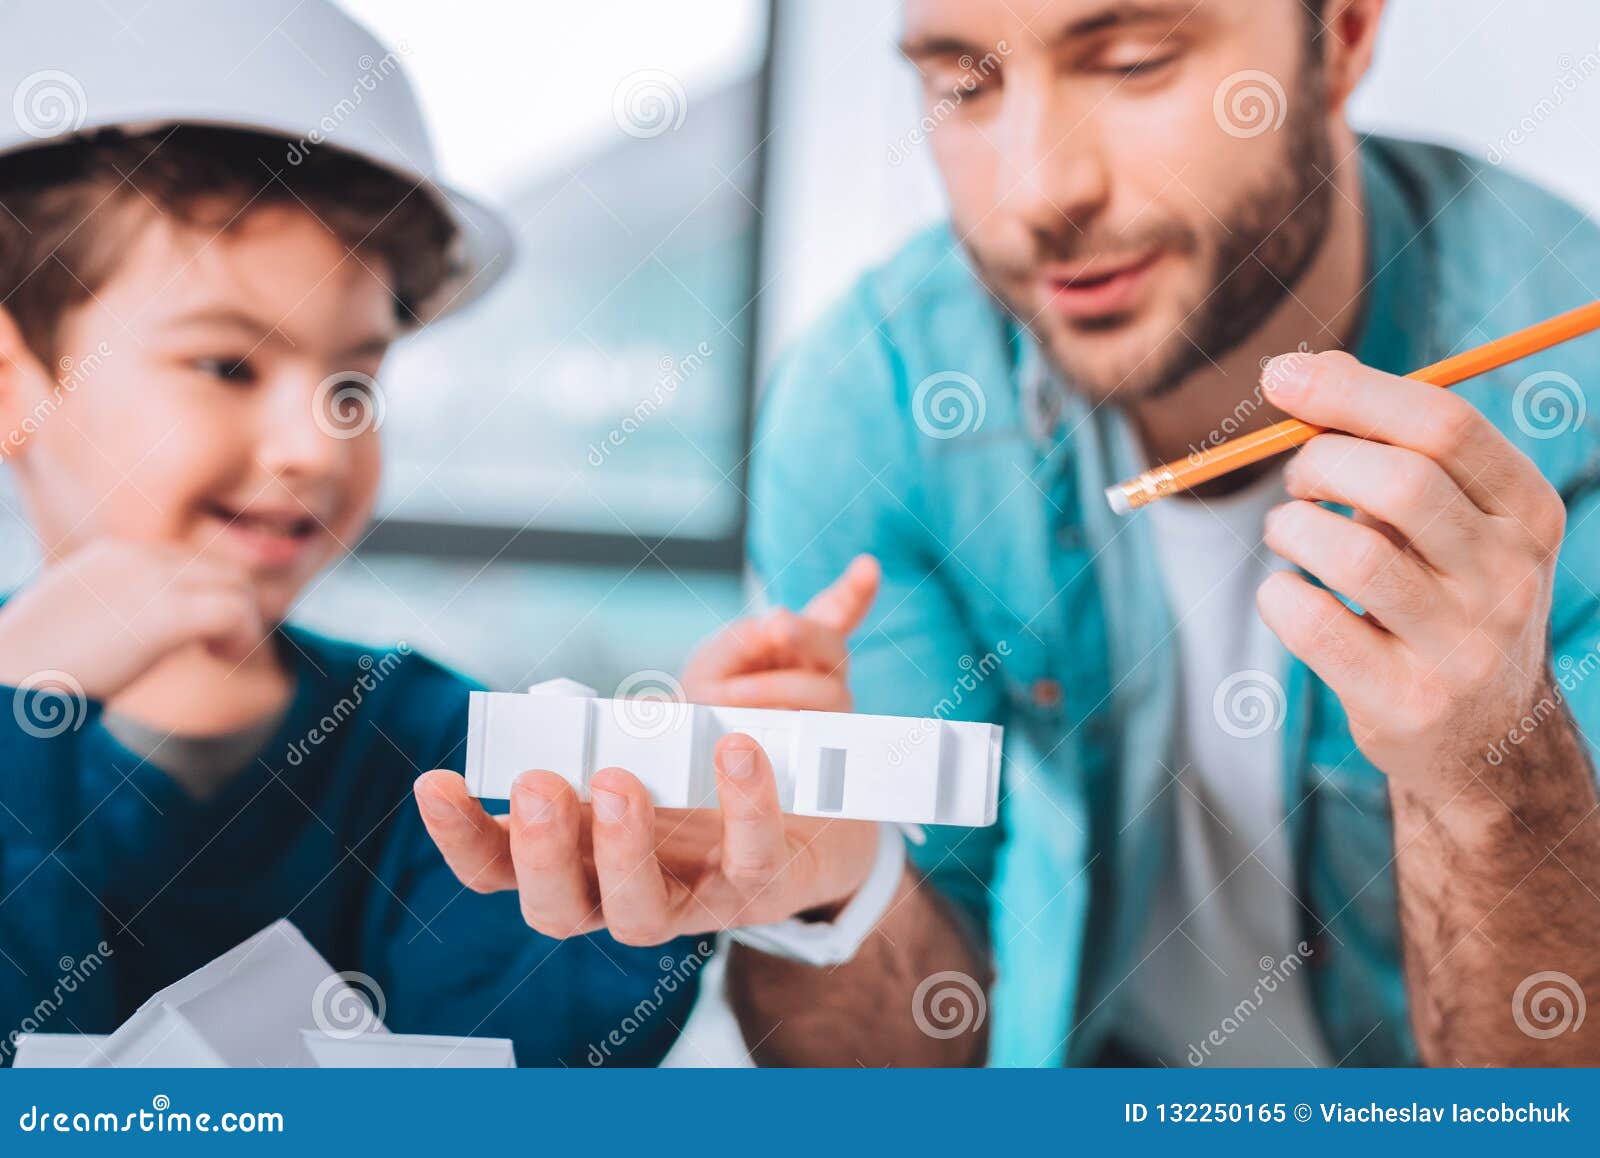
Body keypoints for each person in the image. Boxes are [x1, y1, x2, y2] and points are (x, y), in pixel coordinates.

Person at [428, 0, 1600, 1068]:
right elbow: (895, 1079)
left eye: (1132, 63)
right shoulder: (880, 396)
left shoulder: (1570, 399)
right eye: (963, 84)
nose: (1037, 191)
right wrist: (834, 899)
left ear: (1339, 35)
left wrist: (1493, 775)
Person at [0, 0, 865, 1067]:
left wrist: (657, 849)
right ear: (12, 379)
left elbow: (530, 1071)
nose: (319, 444)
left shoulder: (443, 755)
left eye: (354, 378)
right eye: (228, 364)